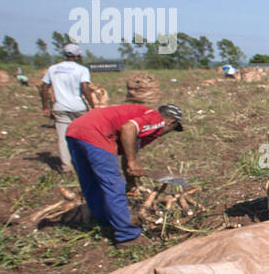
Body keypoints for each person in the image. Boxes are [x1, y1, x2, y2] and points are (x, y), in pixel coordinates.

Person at [65, 103, 185, 248]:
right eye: (173, 129)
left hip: (75, 130)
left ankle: (104, 222)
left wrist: (131, 180)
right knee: (113, 186)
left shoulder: (141, 118)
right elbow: (128, 128)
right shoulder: (156, 119)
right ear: (171, 122)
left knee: (91, 182)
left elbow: (128, 151)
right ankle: (127, 237)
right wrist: (133, 162)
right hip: (96, 133)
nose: (167, 132)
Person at [40, 44, 94, 173]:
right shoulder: (82, 69)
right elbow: (85, 88)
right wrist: (93, 106)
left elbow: (44, 88)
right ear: (77, 55)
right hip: (78, 108)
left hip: (60, 107)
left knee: (63, 139)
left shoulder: (53, 69)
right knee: (84, 136)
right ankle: (86, 164)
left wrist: (45, 106)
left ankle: (66, 167)